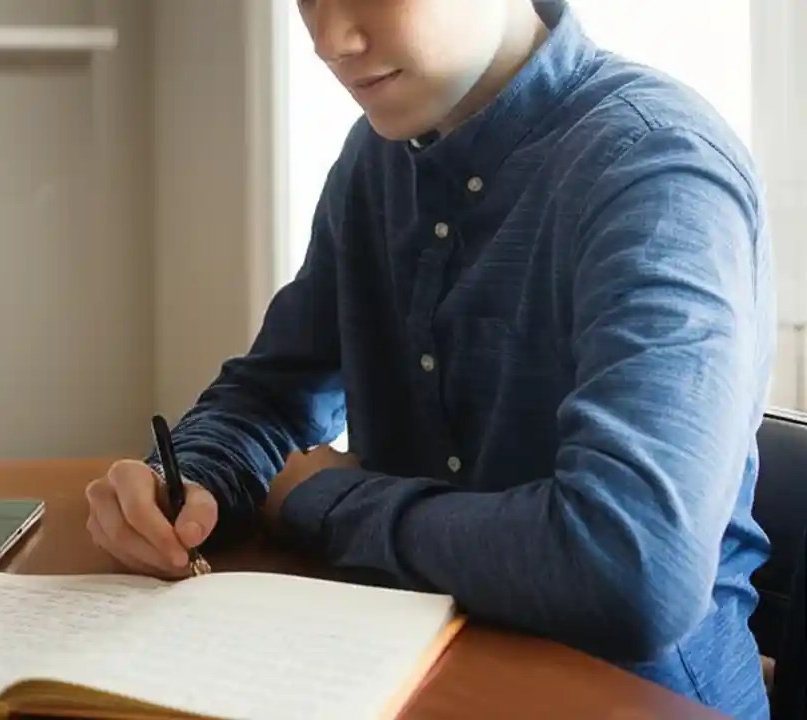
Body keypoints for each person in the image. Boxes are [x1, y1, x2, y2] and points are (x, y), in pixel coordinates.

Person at [84, 0, 774, 717]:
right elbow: (271, 395)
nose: (329, 40)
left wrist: (321, 500)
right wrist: (186, 483)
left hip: (625, 702)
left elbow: (633, 570)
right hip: (402, 681)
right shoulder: (377, 157)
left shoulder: (659, 171)